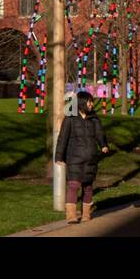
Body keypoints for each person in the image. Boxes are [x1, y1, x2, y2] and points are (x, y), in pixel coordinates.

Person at [55, 90, 110, 224]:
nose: (91, 104)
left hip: (91, 158)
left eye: (92, 102)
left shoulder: (94, 118)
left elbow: (99, 133)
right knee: (73, 185)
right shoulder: (70, 118)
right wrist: (59, 156)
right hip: (74, 158)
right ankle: (71, 215)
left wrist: (103, 145)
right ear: (81, 103)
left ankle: (86, 214)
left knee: (88, 186)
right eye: (89, 102)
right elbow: (63, 137)